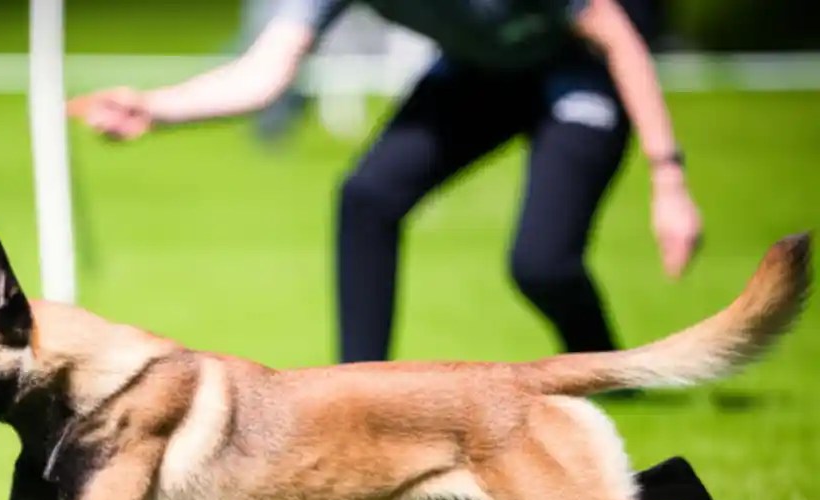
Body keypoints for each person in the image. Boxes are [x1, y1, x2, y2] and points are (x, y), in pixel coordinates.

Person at [70, 0, 702, 366]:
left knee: (541, 265)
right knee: (367, 198)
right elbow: (264, 74)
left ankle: (606, 367)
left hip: (579, 72)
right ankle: (360, 393)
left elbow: (619, 38)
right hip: (479, 75)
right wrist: (156, 108)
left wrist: (668, 178)